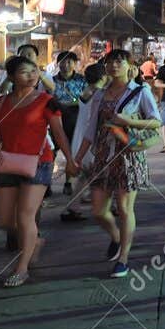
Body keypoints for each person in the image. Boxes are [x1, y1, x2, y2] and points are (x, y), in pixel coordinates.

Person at [0, 54, 75, 287]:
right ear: (12, 76)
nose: (32, 76)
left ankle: (21, 268)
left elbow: (59, 133)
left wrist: (70, 159)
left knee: (25, 215)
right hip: (9, 163)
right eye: (25, 72)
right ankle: (34, 241)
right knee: (5, 219)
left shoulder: (46, 101)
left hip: (39, 162)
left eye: (34, 71)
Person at [73, 48, 160, 280]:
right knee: (99, 211)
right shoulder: (100, 94)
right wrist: (79, 157)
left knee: (124, 209)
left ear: (130, 66)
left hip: (127, 156)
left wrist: (128, 120)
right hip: (102, 155)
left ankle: (123, 258)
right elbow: (91, 128)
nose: (113, 66)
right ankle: (116, 237)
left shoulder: (140, 91)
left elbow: (155, 121)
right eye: (110, 62)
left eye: (119, 62)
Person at [61, 61, 108, 221]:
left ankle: (73, 208)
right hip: (92, 141)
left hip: (80, 139)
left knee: (86, 176)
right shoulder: (101, 94)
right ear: (103, 76)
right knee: (103, 175)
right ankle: (106, 208)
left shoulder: (85, 91)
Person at [51, 52, 88, 192]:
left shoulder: (82, 80)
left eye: (69, 62)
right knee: (51, 152)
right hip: (55, 121)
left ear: (75, 63)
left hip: (75, 120)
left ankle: (68, 182)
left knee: (72, 153)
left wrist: (70, 103)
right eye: (62, 62)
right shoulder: (52, 80)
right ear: (57, 63)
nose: (65, 65)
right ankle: (46, 184)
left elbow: (85, 99)